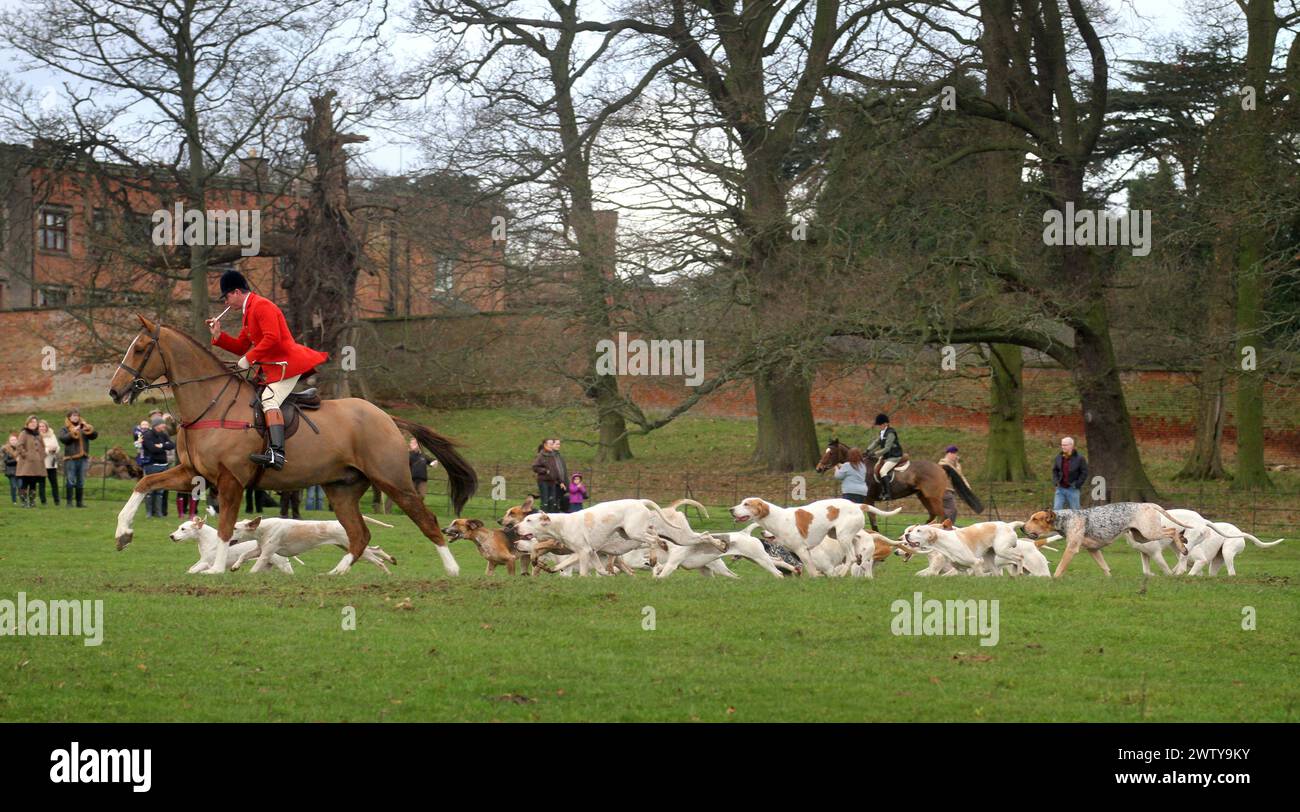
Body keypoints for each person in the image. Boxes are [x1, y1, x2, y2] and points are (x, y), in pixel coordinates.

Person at [206, 269, 329, 470]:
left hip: (286, 365)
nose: (226, 303)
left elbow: (272, 339)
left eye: (226, 297)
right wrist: (219, 336)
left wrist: (250, 358)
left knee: (269, 400)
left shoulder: (262, 306)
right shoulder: (248, 312)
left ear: (237, 292)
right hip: (272, 367)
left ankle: (277, 454)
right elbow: (240, 347)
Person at [58, 408, 97, 508]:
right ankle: (69, 502)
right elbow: (63, 439)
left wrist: (88, 428)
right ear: (69, 417)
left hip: (83, 458)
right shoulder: (65, 429)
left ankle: (79, 503)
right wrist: (72, 432)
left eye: (77, 415)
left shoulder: (84, 426)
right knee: (70, 480)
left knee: (81, 481)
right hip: (71, 458)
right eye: (73, 416)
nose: (75, 417)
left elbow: (94, 436)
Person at [140, 416, 175, 518]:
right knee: (150, 490)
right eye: (162, 424)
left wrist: (161, 445)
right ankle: (149, 513)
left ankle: (159, 513)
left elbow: (172, 445)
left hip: (163, 465)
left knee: (160, 491)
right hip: (152, 465)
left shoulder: (163, 435)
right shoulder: (147, 435)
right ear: (156, 425)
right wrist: (163, 446)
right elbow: (152, 449)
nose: (164, 425)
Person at [865, 413, 904, 500]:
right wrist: (868, 450)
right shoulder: (883, 432)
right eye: (878, 425)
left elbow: (887, 448)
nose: (879, 427)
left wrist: (875, 453)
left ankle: (888, 493)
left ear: (886, 424)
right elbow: (876, 442)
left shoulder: (890, 433)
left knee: (883, 471)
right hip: (886, 457)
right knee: (875, 468)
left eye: (880, 425)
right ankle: (881, 490)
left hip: (894, 456)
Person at [15, 416, 47, 508]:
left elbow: (43, 447)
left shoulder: (38, 434)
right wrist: (26, 455)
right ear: (27, 423)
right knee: (25, 482)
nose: (33, 423)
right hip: (26, 463)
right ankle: (24, 502)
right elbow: (19, 446)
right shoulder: (24, 433)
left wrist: (42, 456)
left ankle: (32, 502)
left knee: (33, 483)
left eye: (35, 422)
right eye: (31, 422)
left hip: (37, 464)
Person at [531, 438, 568, 513]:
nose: (552, 446)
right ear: (545, 445)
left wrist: (561, 481)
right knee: (545, 501)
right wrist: (545, 471)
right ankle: (543, 517)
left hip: (553, 481)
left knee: (553, 501)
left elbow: (556, 470)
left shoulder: (553, 456)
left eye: (552, 444)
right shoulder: (541, 456)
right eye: (550, 444)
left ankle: (551, 518)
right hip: (544, 481)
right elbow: (535, 467)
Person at [937, 445, 972, 523]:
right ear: (949, 454)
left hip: (948, 491)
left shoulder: (952, 464)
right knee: (952, 510)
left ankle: (940, 527)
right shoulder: (944, 464)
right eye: (955, 454)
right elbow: (957, 475)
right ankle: (947, 528)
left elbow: (959, 475)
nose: (956, 456)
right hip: (945, 490)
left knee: (946, 511)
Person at [1051, 436, 1088, 510]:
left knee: (1075, 511)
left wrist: (1077, 484)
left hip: (1073, 489)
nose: (1063, 447)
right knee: (1056, 509)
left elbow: (1084, 473)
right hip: (1060, 489)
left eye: (1065, 445)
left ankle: (1078, 522)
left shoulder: (1080, 458)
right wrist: (1056, 481)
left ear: (1071, 445)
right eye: (1062, 445)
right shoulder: (1058, 457)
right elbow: (1055, 470)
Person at [38, 419, 60, 505]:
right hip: (42, 462)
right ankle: (43, 501)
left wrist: (55, 450)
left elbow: (57, 446)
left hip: (51, 461)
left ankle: (57, 500)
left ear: (46, 427)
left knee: (54, 482)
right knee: (42, 483)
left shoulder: (52, 435)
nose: (41, 428)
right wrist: (48, 449)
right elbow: (38, 449)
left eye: (43, 426)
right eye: (40, 426)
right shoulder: (37, 436)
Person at [408, 437, 436, 504]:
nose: (414, 445)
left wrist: (434, 463)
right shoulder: (409, 455)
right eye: (412, 443)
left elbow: (433, 461)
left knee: (422, 496)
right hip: (412, 480)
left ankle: (417, 508)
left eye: (415, 443)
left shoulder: (423, 456)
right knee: (412, 496)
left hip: (422, 480)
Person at [3, 433, 18, 504]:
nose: (14, 441)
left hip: (20, 470)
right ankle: (14, 501)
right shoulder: (6, 449)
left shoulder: (20, 449)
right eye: (12, 440)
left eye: (15, 440)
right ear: (9, 441)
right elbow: (6, 461)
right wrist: (16, 460)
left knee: (21, 486)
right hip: (11, 471)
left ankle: (23, 500)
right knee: (14, 486)